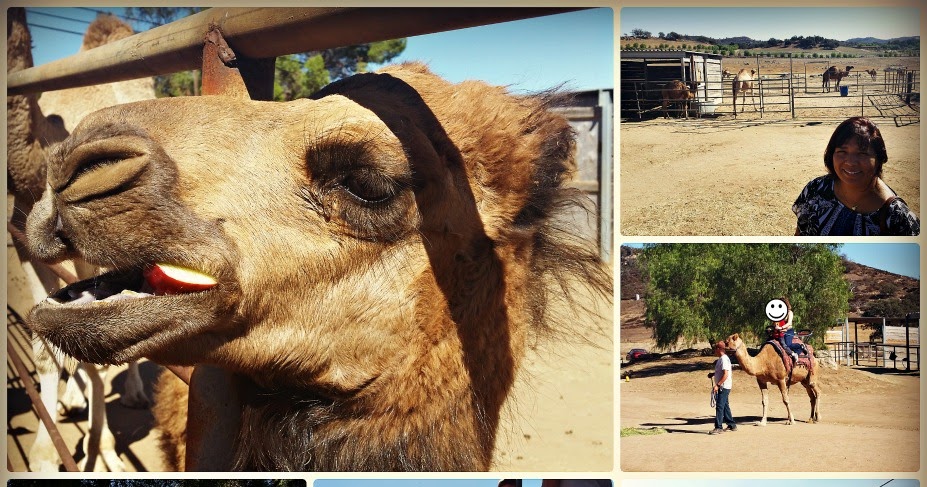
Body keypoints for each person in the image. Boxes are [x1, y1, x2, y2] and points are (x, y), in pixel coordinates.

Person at [792, 117, 920, 236]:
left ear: (879, 159)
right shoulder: (816, 189)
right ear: (831, 155)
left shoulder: (898, 218)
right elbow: (800, 234)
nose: (850, 162)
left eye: (862, 153)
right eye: (842, 151)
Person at [710, 340, 736, 434]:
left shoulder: (724, 359)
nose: (714, 351)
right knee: (725, 406)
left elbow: (725, 374)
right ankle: (731, 425)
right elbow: (721, 372)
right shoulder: (722, 359)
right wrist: (713, 374)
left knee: (720, 406)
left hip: (723, 387)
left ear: (719, 349)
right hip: (724, 386)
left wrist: (717, 385)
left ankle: (718, 427)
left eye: (715, 349)